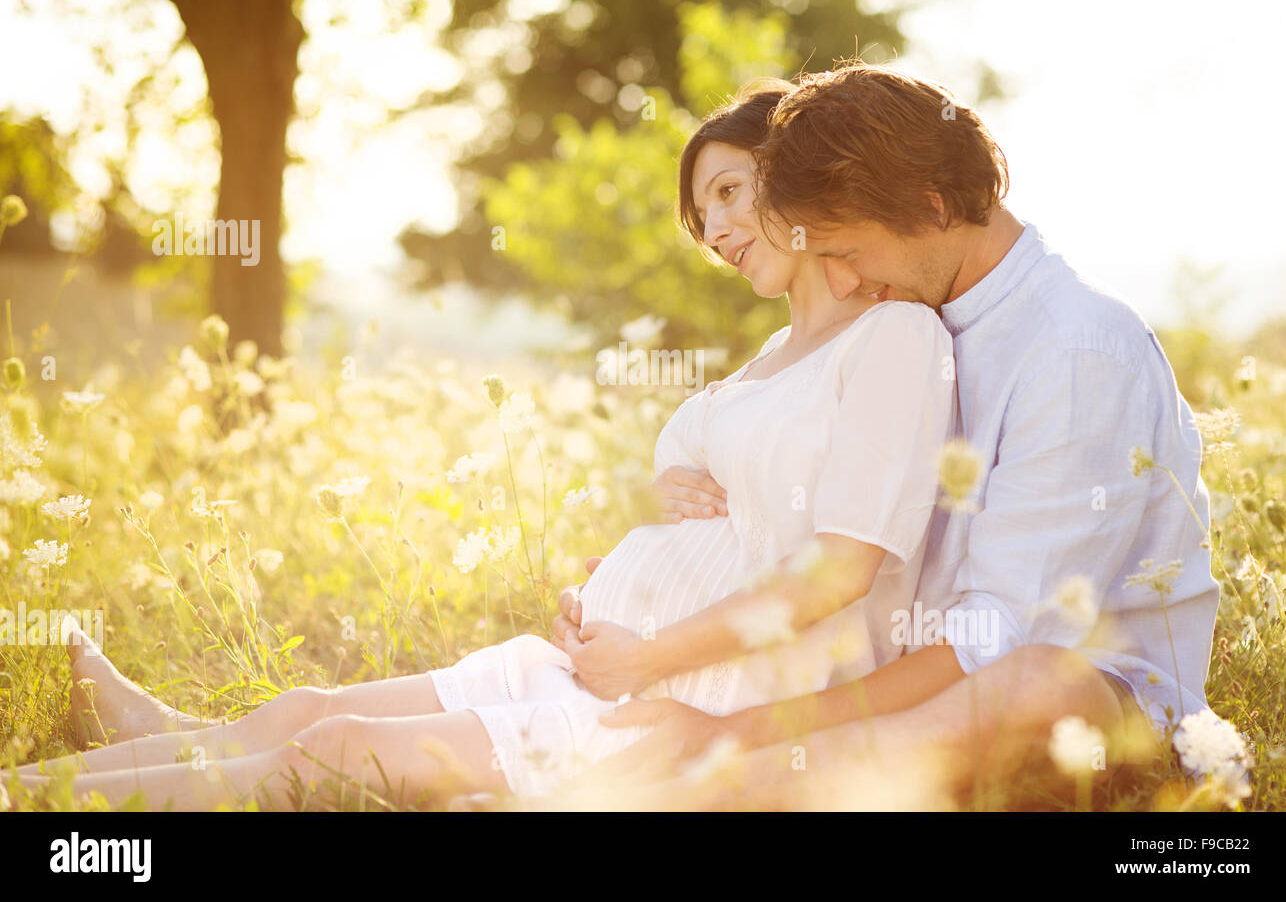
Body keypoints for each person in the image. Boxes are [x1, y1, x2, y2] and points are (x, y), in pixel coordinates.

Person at [9, 83, 956, 810]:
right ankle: (128, 746)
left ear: (794, 172)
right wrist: (652, 528)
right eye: (700, 213)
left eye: (728, 193)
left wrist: (649, 652)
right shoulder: (770, 354)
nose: (712, 231)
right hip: (600, 663)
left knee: (325, 752)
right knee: (308, 711)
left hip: (669, 700)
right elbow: (708, 475)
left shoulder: (896, 339)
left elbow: (837, 572)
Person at [561, 62, 1220, 807]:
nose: (840, 283)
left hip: (1081, 715)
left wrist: (738, 731)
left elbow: (993, 642)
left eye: (845, 253)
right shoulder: (914, 320)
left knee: (1041, 687)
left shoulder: (1073, 350)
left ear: (930, 205)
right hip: (895, 681)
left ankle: (713, 786)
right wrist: (653, 577)